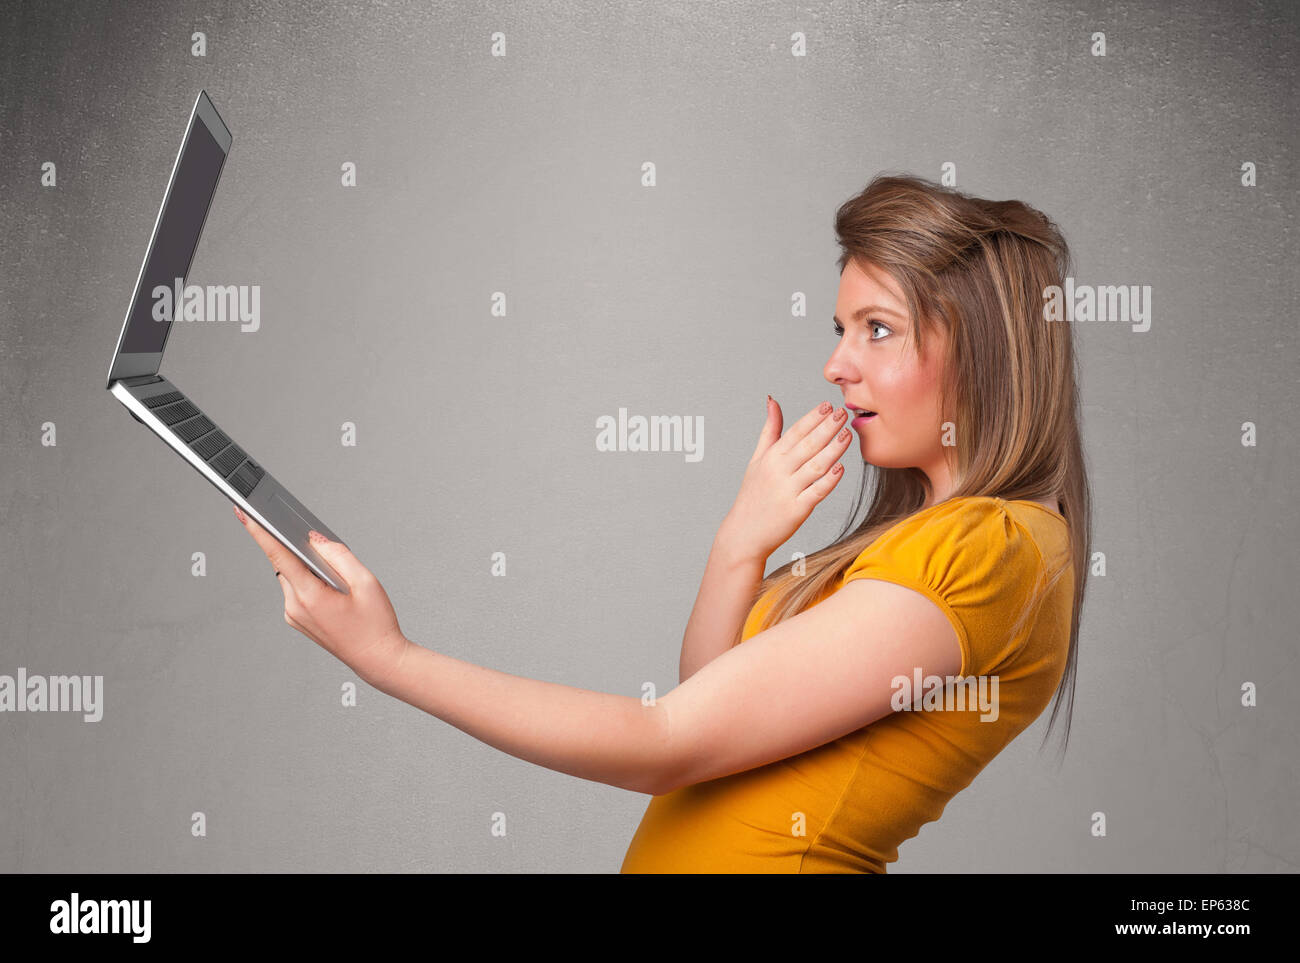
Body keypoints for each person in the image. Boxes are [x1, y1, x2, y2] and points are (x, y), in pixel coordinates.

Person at [236, 172, 1091, 873]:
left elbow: (666, 742)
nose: (836, 364)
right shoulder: (908, 543)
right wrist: (740, 542)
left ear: (981, 349)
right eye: (841, 329)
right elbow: (706, 712)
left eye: (878, 330)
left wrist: (390, 659)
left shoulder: (995, 548)